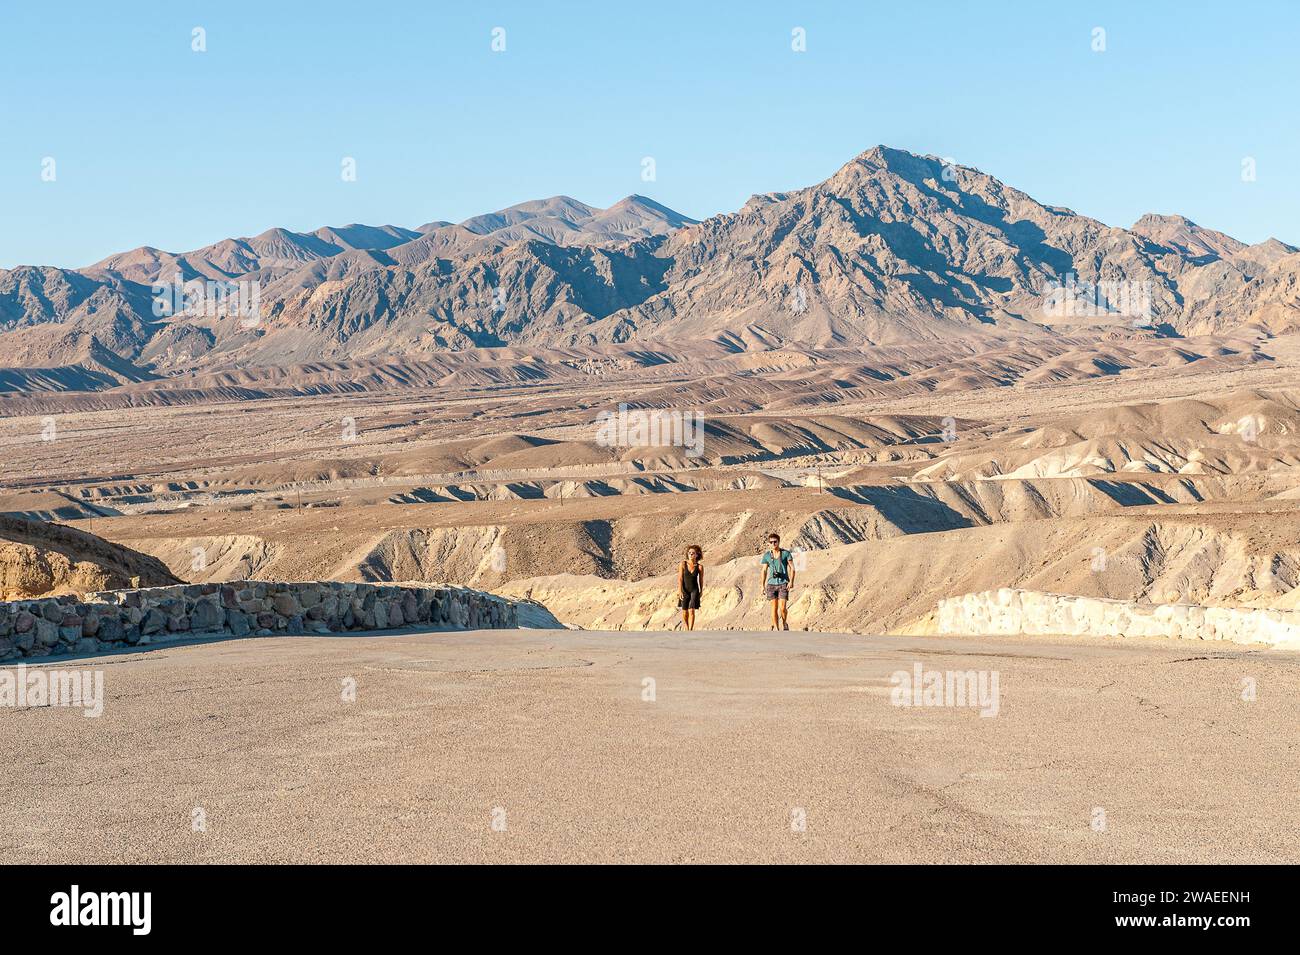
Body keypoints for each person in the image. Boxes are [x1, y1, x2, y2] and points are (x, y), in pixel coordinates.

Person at [758, 532, 795, 631]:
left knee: (782, 608)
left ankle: (784, 622)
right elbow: (764, 570)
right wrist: (762, 585)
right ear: (769, 543)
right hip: (771, 585)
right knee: (773, 608)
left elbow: (792, 568)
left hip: (783, 583)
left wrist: (791, 581)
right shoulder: (766, 556)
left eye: (775, 542)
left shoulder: (786, 554)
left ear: (779, 542)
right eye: (771, 542)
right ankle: (777, 630)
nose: (773, 544)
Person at [677, 544, 704, 631]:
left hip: (694, 590)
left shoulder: (700, 567)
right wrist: (680, 591)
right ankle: (686, 627)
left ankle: (690, 630)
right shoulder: (683, 564)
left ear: (697, 555)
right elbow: (680, 578)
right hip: (684, 590)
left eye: (693, 553)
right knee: (685, 612)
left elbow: (701, 580)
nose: (691, 554)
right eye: (689, 553)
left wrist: (701, 591)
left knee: (692, 610)